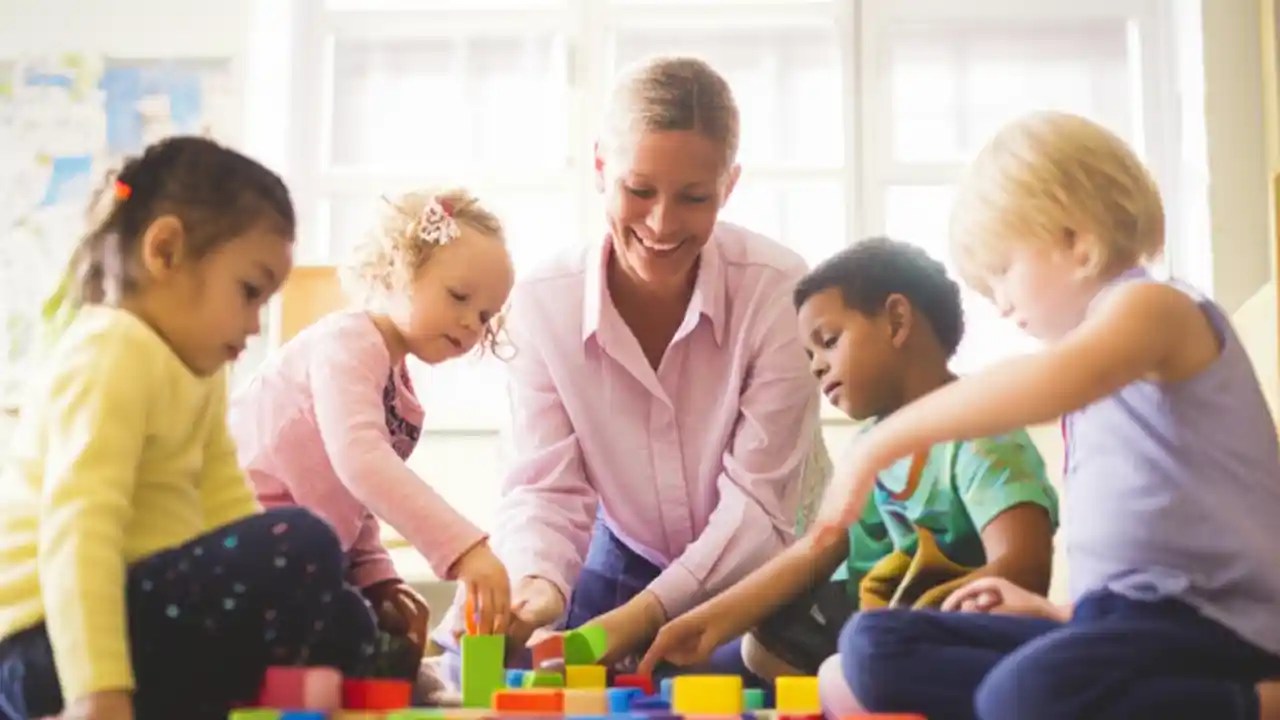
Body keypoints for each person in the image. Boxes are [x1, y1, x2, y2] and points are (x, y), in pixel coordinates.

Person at [821, 112, 1280, 720]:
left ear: (1077, 242)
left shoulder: (1155, 308)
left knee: (1024, 693)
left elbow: (1052, 381)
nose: (1001, 302)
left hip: (1219, 634)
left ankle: (1256, 703)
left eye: (1003, 271)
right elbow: (1132, 576)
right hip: (1124, 628)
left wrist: (877, 445)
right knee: (873, 647)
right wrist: (1057, 614)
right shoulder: (1107, 365)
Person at [432, 55, 823, 674]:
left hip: (763, 573)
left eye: (694, 197)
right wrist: (536, 589)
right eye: (638, 190)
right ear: (599, 168)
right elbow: (545, 487)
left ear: (730, 185)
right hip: (621, 559)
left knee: (730, 675)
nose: (662, 223)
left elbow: (760, 510)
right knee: (473, 666)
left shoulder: (781, 292)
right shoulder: (543, 301)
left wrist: (641, 619)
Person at [0, 136, 378, 720]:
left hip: (139, 620)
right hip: (48, 644)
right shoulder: (112, 348)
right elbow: (79, 534)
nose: (255, 324)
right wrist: (95, 692)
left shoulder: (196, 372)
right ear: (166, 251)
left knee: (345, 615)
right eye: (249, 293)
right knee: (302, 542)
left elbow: (228, 506)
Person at [639, 238, 1057, 705]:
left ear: (897, 320)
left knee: (862, 643)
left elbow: (1025, 567)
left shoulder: (982, 431)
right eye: (809, 356)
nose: (817, 366)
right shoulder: (869, 448)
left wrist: (922, 616)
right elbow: (818, 547)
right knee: (709, 666)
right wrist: (708, 621)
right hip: (867, 630)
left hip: (938, 641)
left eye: (829, 341)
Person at [229, 189, 516, 680]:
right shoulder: (348, 341)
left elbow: (355, 502)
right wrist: (466, 549)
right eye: (459, 297)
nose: (471, 323)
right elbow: (360, 462)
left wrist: (380, 579)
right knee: (354, 633)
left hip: (309, 562)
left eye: (486, 315)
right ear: (399, 270)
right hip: (250, 550)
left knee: (377, 629)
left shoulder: (398, 387)